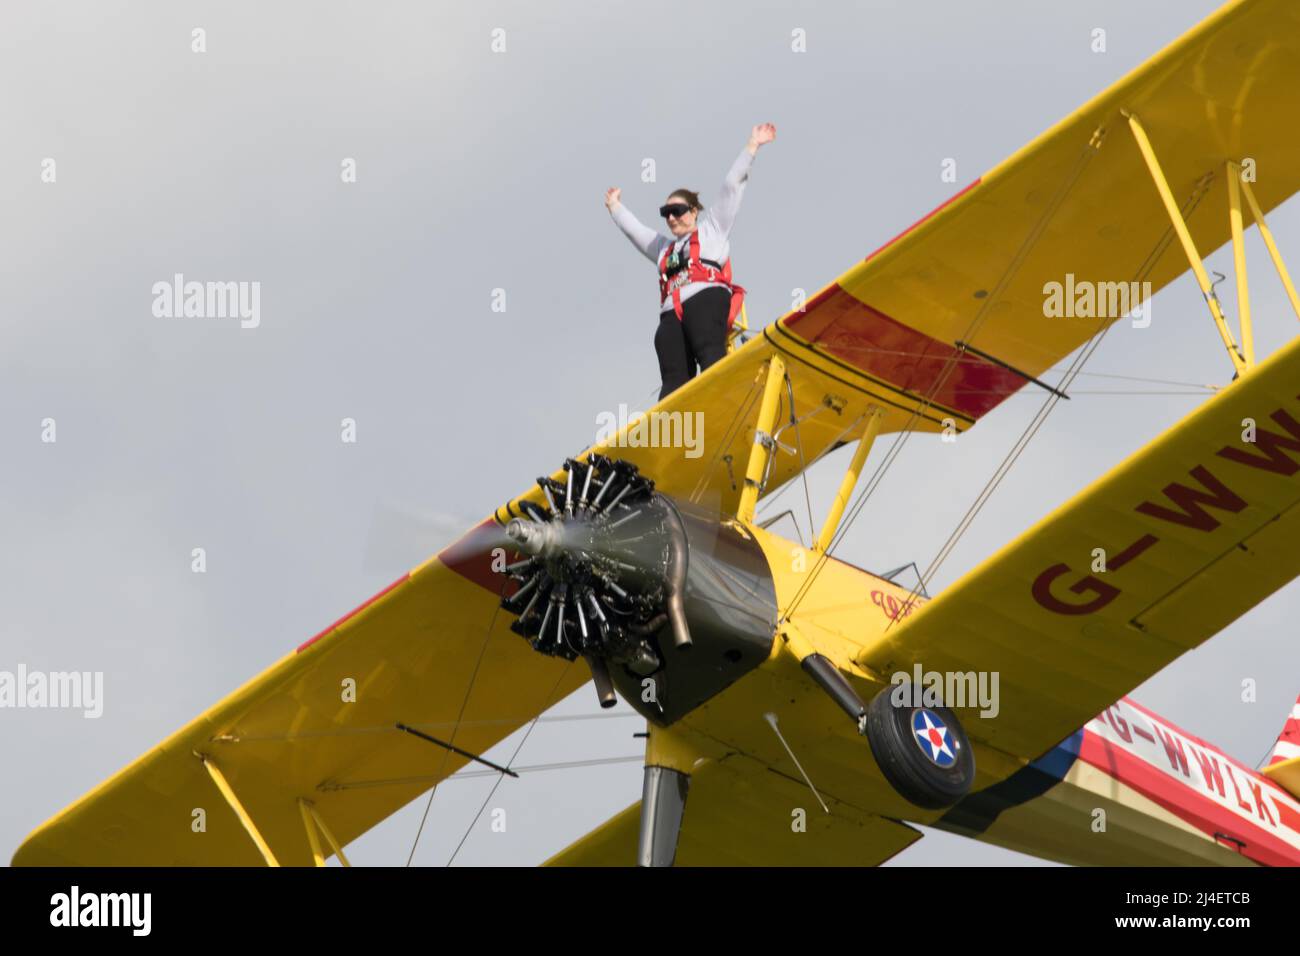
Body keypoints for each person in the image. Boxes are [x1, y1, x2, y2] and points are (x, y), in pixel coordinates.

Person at [606, 123, 776, 399]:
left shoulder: (713, 230)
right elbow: (636, 232)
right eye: (666, 213)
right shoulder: (664, 249)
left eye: (677, 210)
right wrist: (615, 207)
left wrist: (752, 146)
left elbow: (731, 186)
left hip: (705, 302)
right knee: (673, 377)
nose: (671, 218)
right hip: (671, 315)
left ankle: (725, 400)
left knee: (710, 355)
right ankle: (675, 429)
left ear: (694, 211)